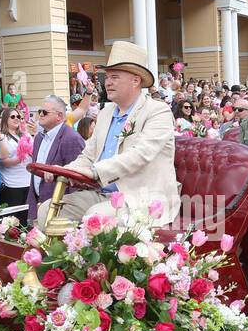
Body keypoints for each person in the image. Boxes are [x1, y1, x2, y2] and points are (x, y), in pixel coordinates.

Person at [60, 41, 177, 222]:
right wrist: (65, 171)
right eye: (106, 77)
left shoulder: (158, 111)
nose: (107, 82)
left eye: (114, 77)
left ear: (136, 80)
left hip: (143, 198)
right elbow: (89, 153)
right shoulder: (106, 112)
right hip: (102, 193)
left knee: (95, 217)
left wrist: (95, 171)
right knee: (49, 210)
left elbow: (141, 154)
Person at [27, 93, 84, 223]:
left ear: (59, 116)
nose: (40, 115)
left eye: (45, 112)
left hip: (60, 211)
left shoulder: (71, 138)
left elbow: (77, 181)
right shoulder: (38, 138)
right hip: (38, 205)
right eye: (40, 111)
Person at [0, 105, 30, 209]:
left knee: (25, 218)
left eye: (18, 117)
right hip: (12, 183)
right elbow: (1, 161)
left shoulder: (24, 135)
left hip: (28, 180)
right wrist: (19, 159)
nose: (16, 119)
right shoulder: (1, 137)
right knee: (13, 218)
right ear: (5, 119)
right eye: (12, 117)